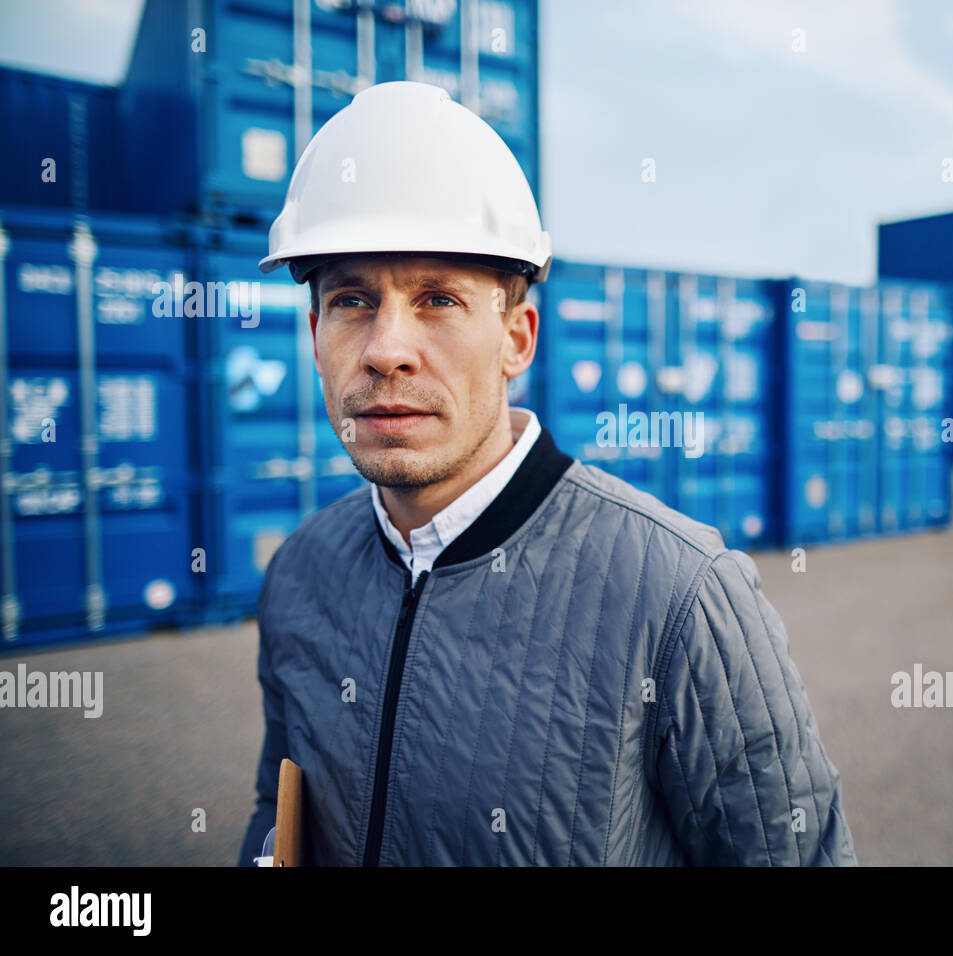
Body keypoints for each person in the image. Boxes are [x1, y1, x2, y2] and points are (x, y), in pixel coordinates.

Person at [237, 81, 856, 866]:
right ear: (315, 331)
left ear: (517, 339)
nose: (387, 349)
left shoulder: (679, 595)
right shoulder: (299, 575)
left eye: (437, 299)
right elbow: (278, 815)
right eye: (354, 298)